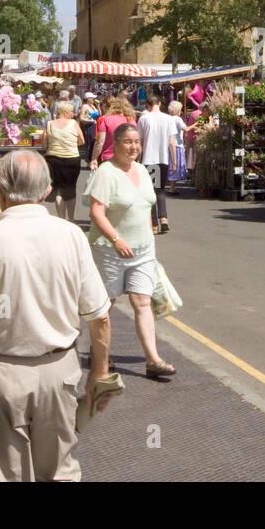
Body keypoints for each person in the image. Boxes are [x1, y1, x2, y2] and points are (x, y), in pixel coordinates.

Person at [0, 151, 119, 481]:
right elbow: (100, 316)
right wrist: (99, 372)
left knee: (8, 473)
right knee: (59, 471)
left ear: (0, 190)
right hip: (59, 369)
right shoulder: (71, 236)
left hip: (3, 370)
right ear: (45, 191)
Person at [84, 123, 177, 379]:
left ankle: (153, 359)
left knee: (142, 301)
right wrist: (116, 239)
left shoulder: (142, 170)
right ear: (115, 144)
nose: (133, 147)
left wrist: (150, 236)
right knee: (105, 305)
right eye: (127, 142)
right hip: (110, 250)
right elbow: (96, 212)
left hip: (143, 250)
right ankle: (98, 353)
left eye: (136, 142)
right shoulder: (106, 172)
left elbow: (146, 206)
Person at [136, 96, 176, 233]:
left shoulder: (143, 119)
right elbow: (172, 142)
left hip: (148, 158)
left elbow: (140, 142)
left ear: (148, 105)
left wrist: (137, 159)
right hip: (163, 158)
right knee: (160, 190)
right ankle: (163, 218)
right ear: (159, 103)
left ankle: (153, 224)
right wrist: (174, 160)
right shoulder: (168, 119)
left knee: (150, 191)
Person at [44, 100, 85, 221]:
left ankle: (61, 218)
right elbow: (82, 140)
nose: (73, 113)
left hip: (53, 159)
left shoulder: (49, 124)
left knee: (58, 190)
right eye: (71, 111)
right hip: (71, 158)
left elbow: (44, 144)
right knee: (71, 188)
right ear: (66, 112)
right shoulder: (73, 123)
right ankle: (71, 219)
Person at [89, 95, 135, 170]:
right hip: (126, 158)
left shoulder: (106, 119)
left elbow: (100, 142)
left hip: (108, 159)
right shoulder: (131, 121)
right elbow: (135, 142)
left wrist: (94, 158)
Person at [166, 101, 190, 191]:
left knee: (170, 163)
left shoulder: (168, 118)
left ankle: (171, 186)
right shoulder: (178, 119)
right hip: (177, 144)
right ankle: (172, 187)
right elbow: (186, 129)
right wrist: (195, 125)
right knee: (175, 165)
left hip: (169, 144)